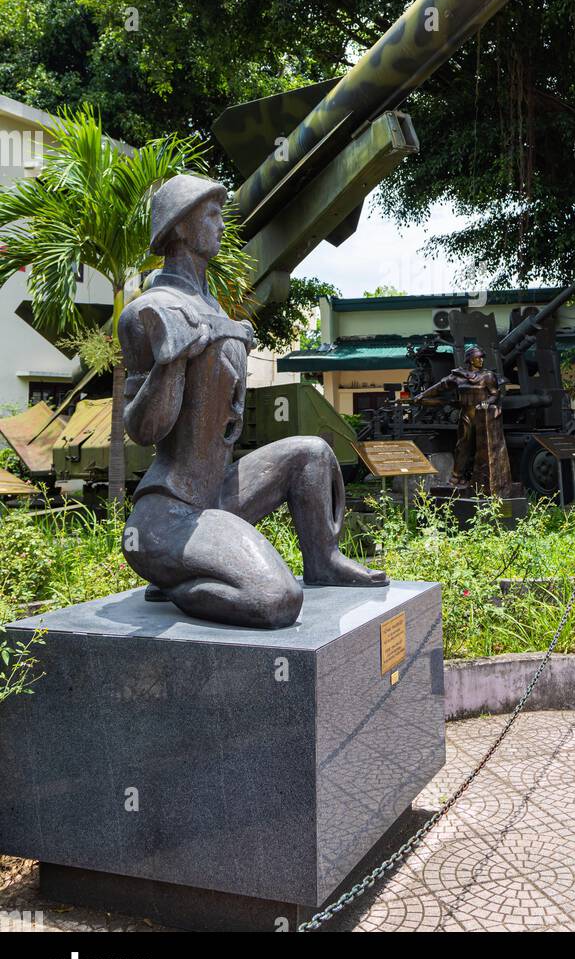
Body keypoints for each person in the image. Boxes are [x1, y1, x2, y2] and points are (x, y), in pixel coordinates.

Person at [118, 173, 386, 629]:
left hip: (215, 497)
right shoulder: (150, 312)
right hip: (168, 515)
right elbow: (144, 431)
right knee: (276, 600)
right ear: (181, 226)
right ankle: (176, 584)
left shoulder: (214, 309)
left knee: (312, 454)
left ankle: (324, 559)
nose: (222, 225)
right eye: (213, 214)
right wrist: (170, 364)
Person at [413, 345, 512, 494]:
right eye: (478, 357)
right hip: (466, 414)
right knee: (462, 446)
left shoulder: (488, 376)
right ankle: (456, 476)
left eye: (482, 357)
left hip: (482, 415)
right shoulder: (458, 376)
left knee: (483, 448)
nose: (481, 360)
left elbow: (494, 394)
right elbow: (439, 387)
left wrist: (488, 402)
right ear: (471, 360)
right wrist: (422, 396)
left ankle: (483, 479)